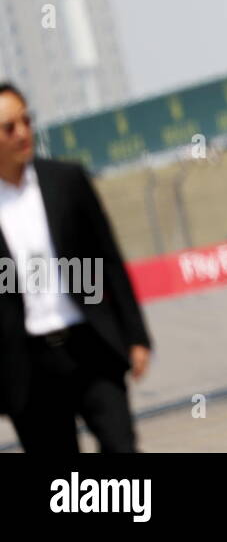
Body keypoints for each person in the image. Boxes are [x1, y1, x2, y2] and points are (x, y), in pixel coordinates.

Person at [0, 83, 151, 452]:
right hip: (28, 367)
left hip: (91, 345)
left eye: (26, 120)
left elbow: (108, 259)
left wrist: (136, 336)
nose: (23, 132)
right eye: (8, 127)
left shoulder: (65, 181)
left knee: (121, 449)